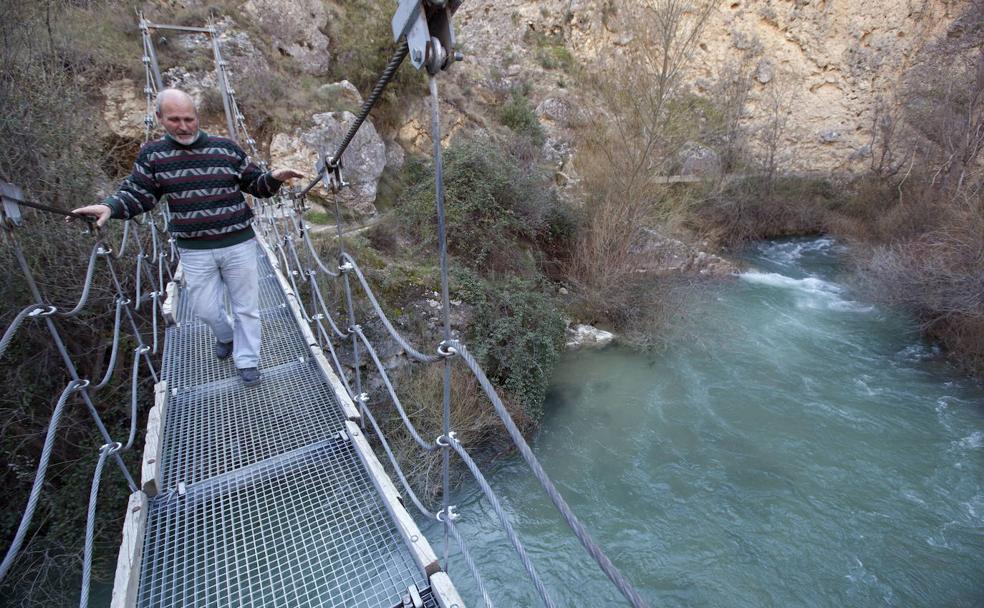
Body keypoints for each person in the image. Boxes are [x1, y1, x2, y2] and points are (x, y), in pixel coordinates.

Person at [73, 88, 303, 387]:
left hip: (238, 242)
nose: (183, 126)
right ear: (159, 119)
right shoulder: (152, 155)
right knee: (205, 309)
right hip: (194, 249)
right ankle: (225, 335)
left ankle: (247, 360)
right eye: (174, 119)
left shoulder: (226, 148)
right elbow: (138, 195)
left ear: (198, 117)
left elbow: (255, 185)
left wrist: (274, 178)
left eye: (189, 119)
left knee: (246, 307)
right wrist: (109, 206)